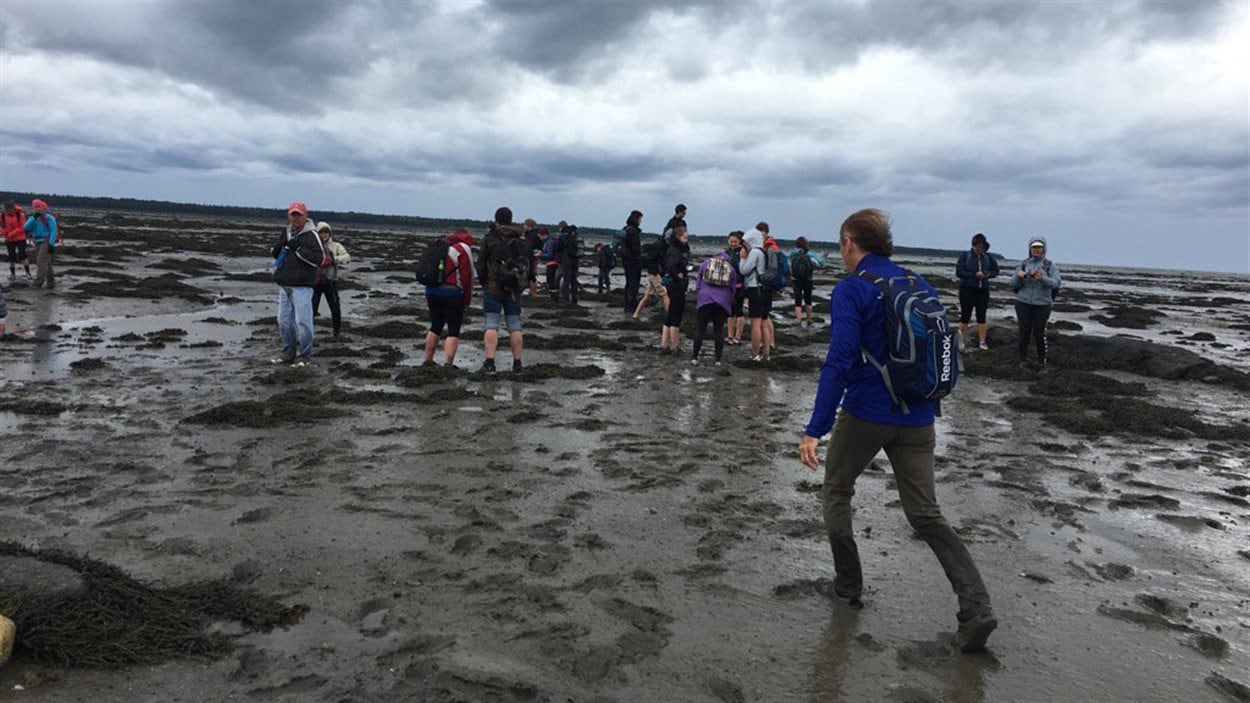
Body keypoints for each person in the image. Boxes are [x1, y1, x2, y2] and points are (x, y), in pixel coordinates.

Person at [797, 208, 996, 653]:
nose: (842, 254)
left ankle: (848, 587)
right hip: (920, 417)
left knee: (836, 491)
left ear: (850, 242)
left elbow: (840, 359)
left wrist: (816, 428)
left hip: (867, 413)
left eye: (842, 245)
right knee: (926, 515)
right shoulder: (917, 283)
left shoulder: (853, 289)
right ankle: (976, 607)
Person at [271, 202, 328, 366]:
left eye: (299, 215)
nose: (295, 218)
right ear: (288, 215)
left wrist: (299, 249)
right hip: (285, 283)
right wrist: (276, 250)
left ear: (306, 216)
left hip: (303, 285)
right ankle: (288, 353)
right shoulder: (287, 232)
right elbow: (279, 253)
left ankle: (305, 356)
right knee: (283, 320)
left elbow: (321, 259)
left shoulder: (312, 235)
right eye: (293, 214)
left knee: (303, 322)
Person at [476, 207, 531, 373]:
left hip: (493, 288)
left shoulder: (490, 239)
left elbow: (480, 264)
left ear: (496, 220)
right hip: (515, 290)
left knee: (491, 324)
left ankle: (490, 362)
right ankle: (517, 364)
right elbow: (530, 266)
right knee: (515, 326)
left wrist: (484, 282)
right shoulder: (522, 241)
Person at [423, 228, 475, 367]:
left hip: (431, 290)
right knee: (453, 329)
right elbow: (467, 276)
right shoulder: (463, 248)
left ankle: (428, 360)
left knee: (435, 326)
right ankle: (448, 364)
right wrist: (467, 299)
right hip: (452, 293)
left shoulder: (439, 244)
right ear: (467, 236)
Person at [1011, 237, 1060, 368]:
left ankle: (1041, 361)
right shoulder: (1023, 264)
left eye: (1039, 247)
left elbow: (1056, 283)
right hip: (1023, 302)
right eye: (1034, 247)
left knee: (1039, 333)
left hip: (1042, 304)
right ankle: (1022, 361)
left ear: (1044, 249)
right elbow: (1013, 284)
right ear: (1030, 249)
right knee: (1024, 332)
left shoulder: (1050, 265)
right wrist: (1018, 276)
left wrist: (1042, 278)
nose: (1036, 250)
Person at [691, 239, 739, 365]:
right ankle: (717, 360)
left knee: (701, 329)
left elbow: (698, 281)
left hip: (705, 300)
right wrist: (730, 299)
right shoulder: (730, 269)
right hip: (722, 303)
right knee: (718, 330)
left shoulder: (706, 263)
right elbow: (733, 287)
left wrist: (700, 293)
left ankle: (694, 357)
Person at [954, 233, 999, 350]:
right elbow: (959, 272)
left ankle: (982, 342)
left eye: (981, 247)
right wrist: (974, 275)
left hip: (983, 290)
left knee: (981, 316)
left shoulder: (988, 257)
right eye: (977, 246)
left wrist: (987, 275)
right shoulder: (965, 256)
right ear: (973, 245)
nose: (979, 249)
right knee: (965, 316)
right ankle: (961, 341)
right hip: (967, 289)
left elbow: (995, 270)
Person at [737, 223, 773, 361]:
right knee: (764, 322)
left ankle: (755, 353)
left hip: (755, 289)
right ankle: (766, 353)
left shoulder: (755, 252)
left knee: (755, 324)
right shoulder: (764, 250)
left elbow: (744, 270)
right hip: (766, 289)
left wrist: (742, 259)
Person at [311, 221, 351, 338]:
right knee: (311, 310)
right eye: (321, 232)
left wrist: (334, 259)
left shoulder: (336, 246)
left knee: (335, 309)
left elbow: (347, 257)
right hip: (315, 283)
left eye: (326, 232)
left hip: (330, 283)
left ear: (330, 233)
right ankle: (308, 334)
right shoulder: (313, 246)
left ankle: (337, 333)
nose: (324, 235)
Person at [660, 227, 691, 354]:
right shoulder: (675, 250)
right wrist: (678, 276)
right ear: (678, 237)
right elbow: (671, 267)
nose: (686, 240)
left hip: (674, 285)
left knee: (671, 314)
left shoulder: (675, 249)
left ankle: (664, 345)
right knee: (676, 315)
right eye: (684, 237)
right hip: (676, 286)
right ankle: (674, 346)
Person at [632, 229, 670, 319]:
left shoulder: (660, 244)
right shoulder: (659, 245)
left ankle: (635, 315)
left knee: (647, 296)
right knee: (664, 294)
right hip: (655, 273)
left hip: (653, 273)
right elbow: (652, 258)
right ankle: (670, 318)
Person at [790, 236, 827, 327]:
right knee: (808, 299)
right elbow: (820, 264)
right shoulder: (810, 254)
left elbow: (790, 264)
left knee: (797, 300)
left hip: (796, 279)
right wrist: (824, 257)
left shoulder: (793, 253)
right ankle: (809, 319)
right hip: (808, 279)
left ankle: (798, 319)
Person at [24, 199, 58, 289]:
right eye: (35, 207)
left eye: (39, 206)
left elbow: (54, 231)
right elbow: (26, 227)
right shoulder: (33, 218)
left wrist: (51, 244)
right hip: (37, 241)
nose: (37, 209)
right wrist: (34, 218)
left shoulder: (49, 218)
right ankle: (51, 282)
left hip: (46, 241)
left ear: (43, 207)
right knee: (46, 262)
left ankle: (38, 283)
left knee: (41, 261)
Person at [725, 231, 746, 345]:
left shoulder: (743, 252)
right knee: (729, 311)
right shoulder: (726, 252)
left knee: (739, 311)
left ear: (740, 242)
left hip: (740, 285)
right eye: (731, 241)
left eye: (735, 242)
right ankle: (729, 335)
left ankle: (738, 336)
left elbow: (743, 269)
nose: (733, 243)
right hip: (728, 286)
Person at [620, 210, 644, 314]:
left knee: (628, 283)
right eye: (640, 219)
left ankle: (627, 306)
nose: (641, 221)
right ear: (637, 219)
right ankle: (631, 307)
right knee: (633, 285)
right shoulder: (633, 231)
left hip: (625, 261)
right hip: (633, 262)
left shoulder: (625, 229)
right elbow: (635, 249)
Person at [2, 202, 31, 281]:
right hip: (9, 240)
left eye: (9, 210)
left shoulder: (20, 215)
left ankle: (28, 273)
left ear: (13, 208)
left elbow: (23, 227)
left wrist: (13, 233)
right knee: (11, 257)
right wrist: (3, 231)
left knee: (22, 255)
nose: (7, 211)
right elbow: (1, 226)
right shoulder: (3, 216)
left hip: (20, 238)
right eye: (6, 210)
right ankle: (12, 274)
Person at [558, 224, 582, 304]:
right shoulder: (578, 236)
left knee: (566, 280)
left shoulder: (564, 236)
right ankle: (575, 299)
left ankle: (566, 299)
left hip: (566, 260)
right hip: (576, 260)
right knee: (574, 280)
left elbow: (558, 248)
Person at [540, 225, 561, 301]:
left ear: (544, 235)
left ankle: (554, 297)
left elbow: (549, 254)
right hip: (552, 262)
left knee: (550, 280)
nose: (540, 238)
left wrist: (540, 255)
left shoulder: (549, 242)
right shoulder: (550, 241)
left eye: (540, 236)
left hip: (552, 263)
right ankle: (553, 296)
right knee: (551, 280)